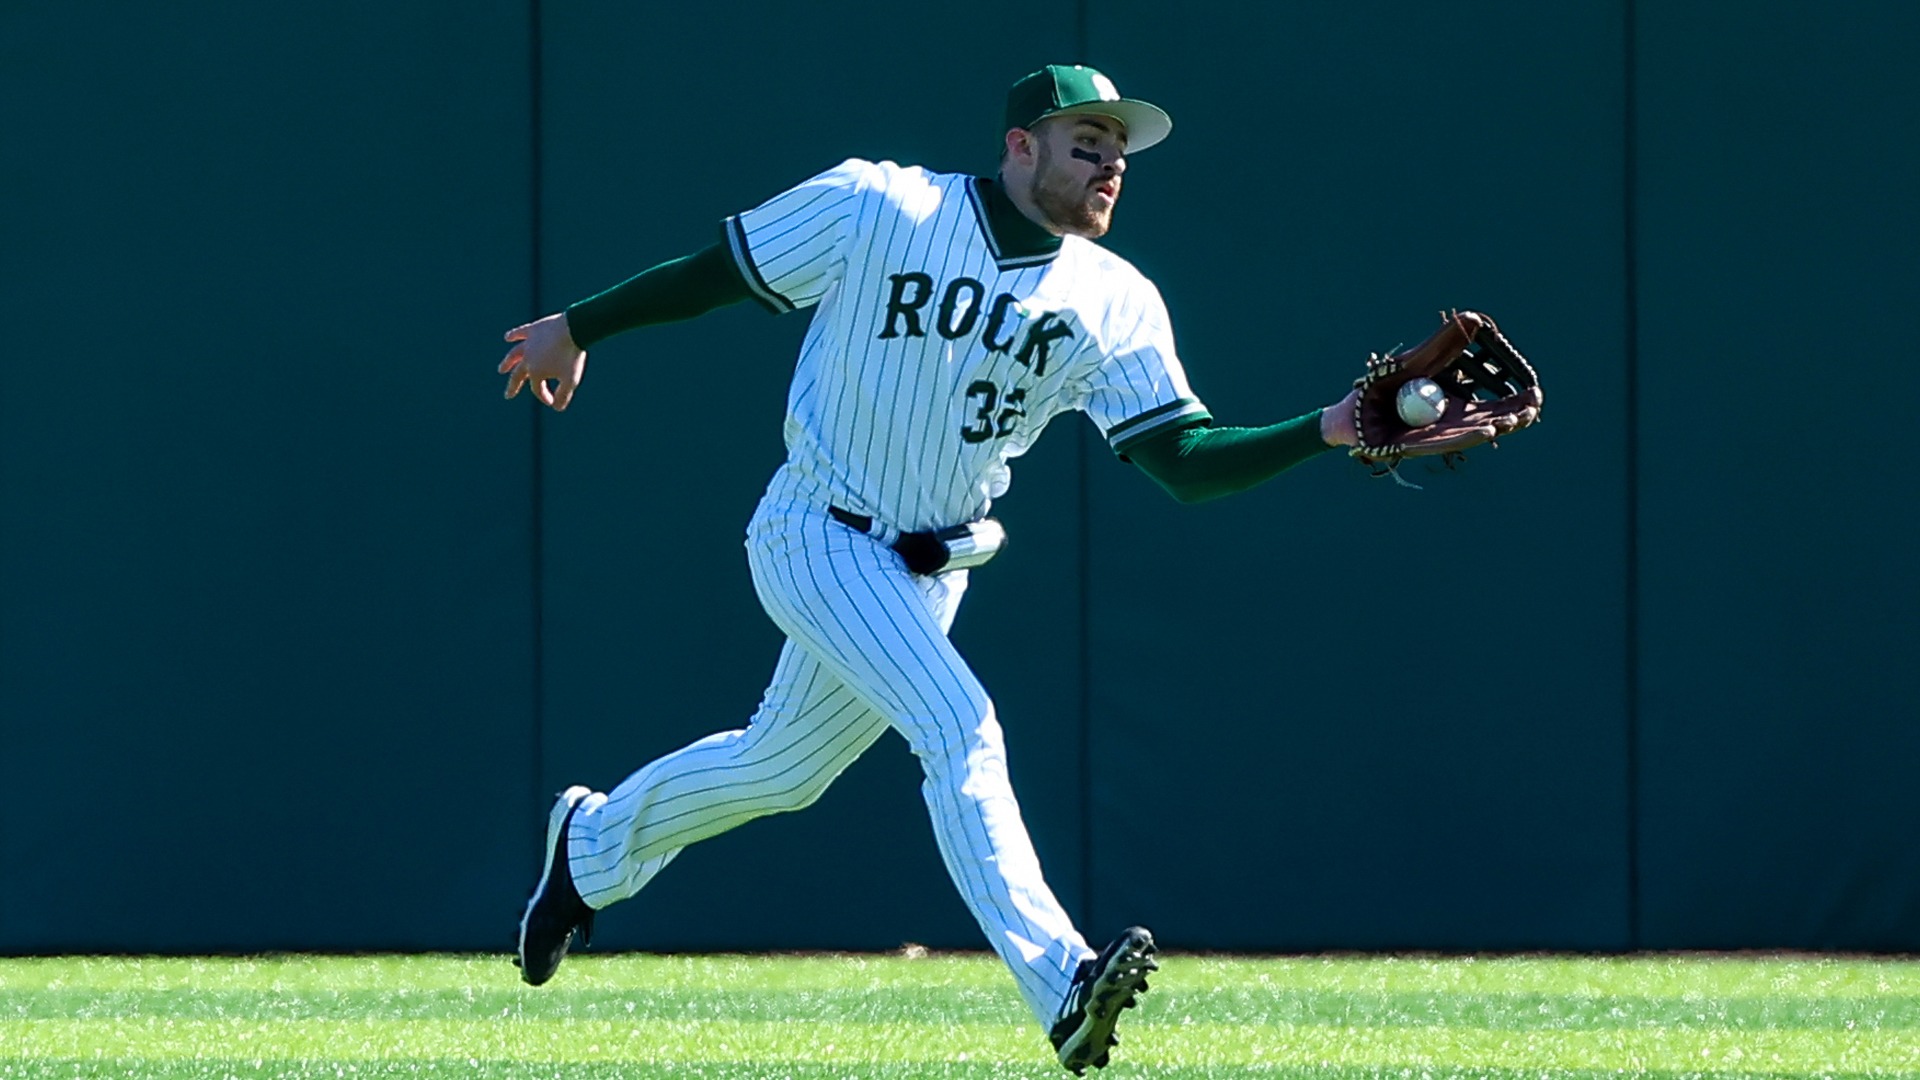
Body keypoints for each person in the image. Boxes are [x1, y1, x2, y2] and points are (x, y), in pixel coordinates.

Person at [501, 64, 1365, 1075]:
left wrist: (1330, 428)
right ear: (1017, 146)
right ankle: (1065, 983)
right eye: (1085, 142)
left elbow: (1184, 463)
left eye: (1119, 151)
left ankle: (593, 845)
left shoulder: (1117, 301)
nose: (1110, 164)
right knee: (962, 727)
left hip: (928, 569)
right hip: (815, 531)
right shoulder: (882, 206)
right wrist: (577, 326)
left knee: (781, 767)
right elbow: (715, 275)